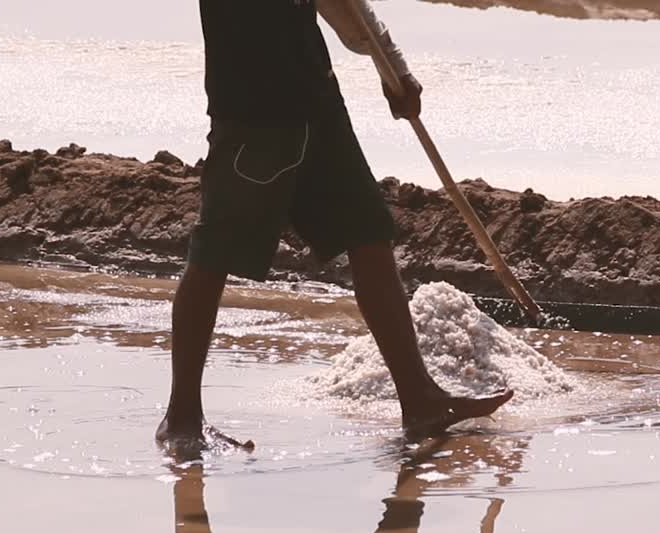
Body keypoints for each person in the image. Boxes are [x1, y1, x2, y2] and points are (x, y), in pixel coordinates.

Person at [158, 0, 513, 451]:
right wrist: (394, 70)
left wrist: (394, 71)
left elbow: (346, 10)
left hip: (317, 103)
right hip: (254, 115)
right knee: (215, 253)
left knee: (368, 233)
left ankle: (419, 399)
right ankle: (182, 416)